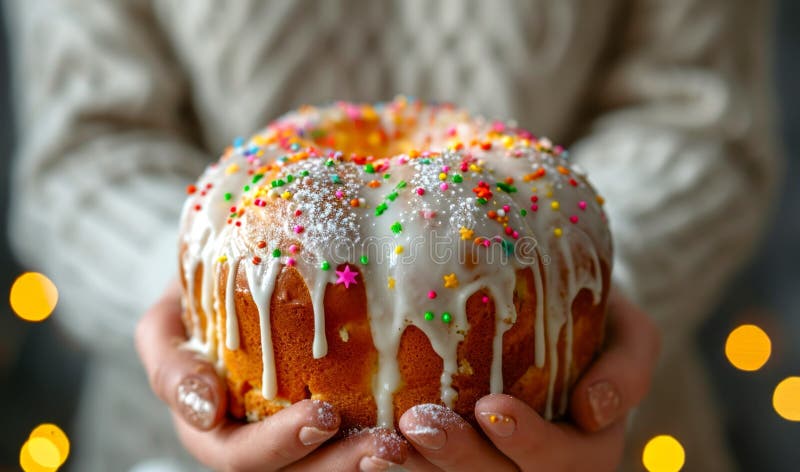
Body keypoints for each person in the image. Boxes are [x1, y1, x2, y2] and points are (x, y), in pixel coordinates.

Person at [5, 0, 778, 470]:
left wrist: (602, 296)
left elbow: (701, 117)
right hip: (178, 450)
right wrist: (185, 294)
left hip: (598, 446)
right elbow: (86, 144)